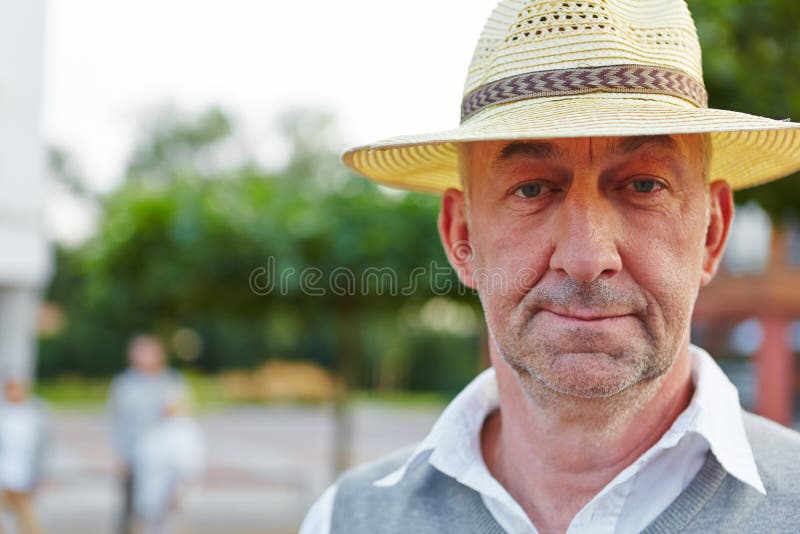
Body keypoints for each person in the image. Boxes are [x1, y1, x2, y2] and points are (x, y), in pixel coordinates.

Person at [301, 1, 800, 532]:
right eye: (532, 189)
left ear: (713, 230)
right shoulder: (345, 520)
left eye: (644, 185)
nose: (586, 259)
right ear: (461, 234)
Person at [107, 334, 186, 534]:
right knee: (131, 508)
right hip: (133, 451)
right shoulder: (124, 383)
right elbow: (115, 420)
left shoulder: (171, 380)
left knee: (164, 508)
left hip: (163, 455)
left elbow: (181, 417)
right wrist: (118, 453)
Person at [132, 385, 205, 534]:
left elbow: (187, 466)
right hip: (151, 496)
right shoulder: (159, 427)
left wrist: (178, 493)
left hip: (169, 496)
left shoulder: (184, 430)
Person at [0, 378, 50, 534]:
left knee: (25, 513)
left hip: (23, 473)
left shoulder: (34, 413)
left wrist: (41, 471)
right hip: (4, 471)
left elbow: (42, 445)